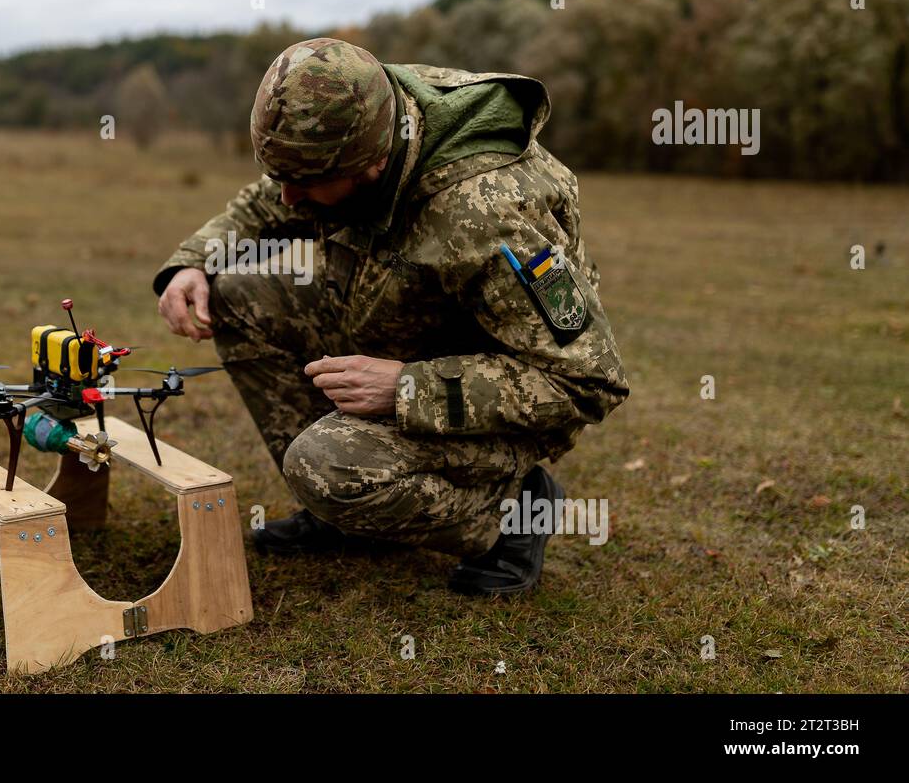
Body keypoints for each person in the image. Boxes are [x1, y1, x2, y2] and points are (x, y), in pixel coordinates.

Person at [152, 37, 629, 594]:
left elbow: (587, 381)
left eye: (302, 184)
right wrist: (194, 263)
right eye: (281, 175)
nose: (286, 199)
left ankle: (512, 511)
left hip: (490, 405)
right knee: (236, 295)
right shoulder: (363, 112)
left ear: (371, 165)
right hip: (395, 328)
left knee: (326, 464)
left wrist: (405, 387)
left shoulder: (489, 213)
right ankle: (343, 513)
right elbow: (267, 200)